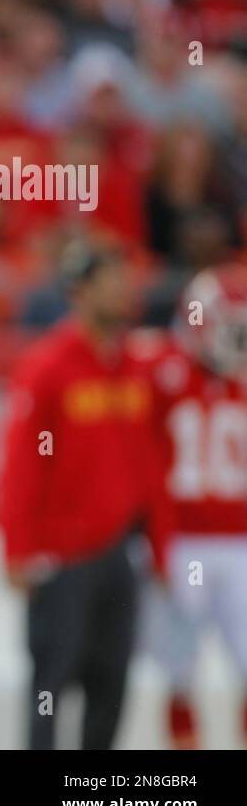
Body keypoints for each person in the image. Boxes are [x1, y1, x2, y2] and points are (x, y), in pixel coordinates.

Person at [0, 239, 157, 750]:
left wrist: (159, 544)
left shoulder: (134, 365)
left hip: (118, 554)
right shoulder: (48, 366)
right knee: (51, 685)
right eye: (111, 282)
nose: (123, 293)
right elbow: (18, 465)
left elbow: (149, 463)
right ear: (79, 292)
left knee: (111, 688)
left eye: (125, 281)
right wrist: (16, 548)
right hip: (61, 557)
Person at [143, 264, 247, 748]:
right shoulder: (162, 371)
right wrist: (158, 542)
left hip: (240, 542)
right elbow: (143, 467)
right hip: (184, 541)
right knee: (181, 670)